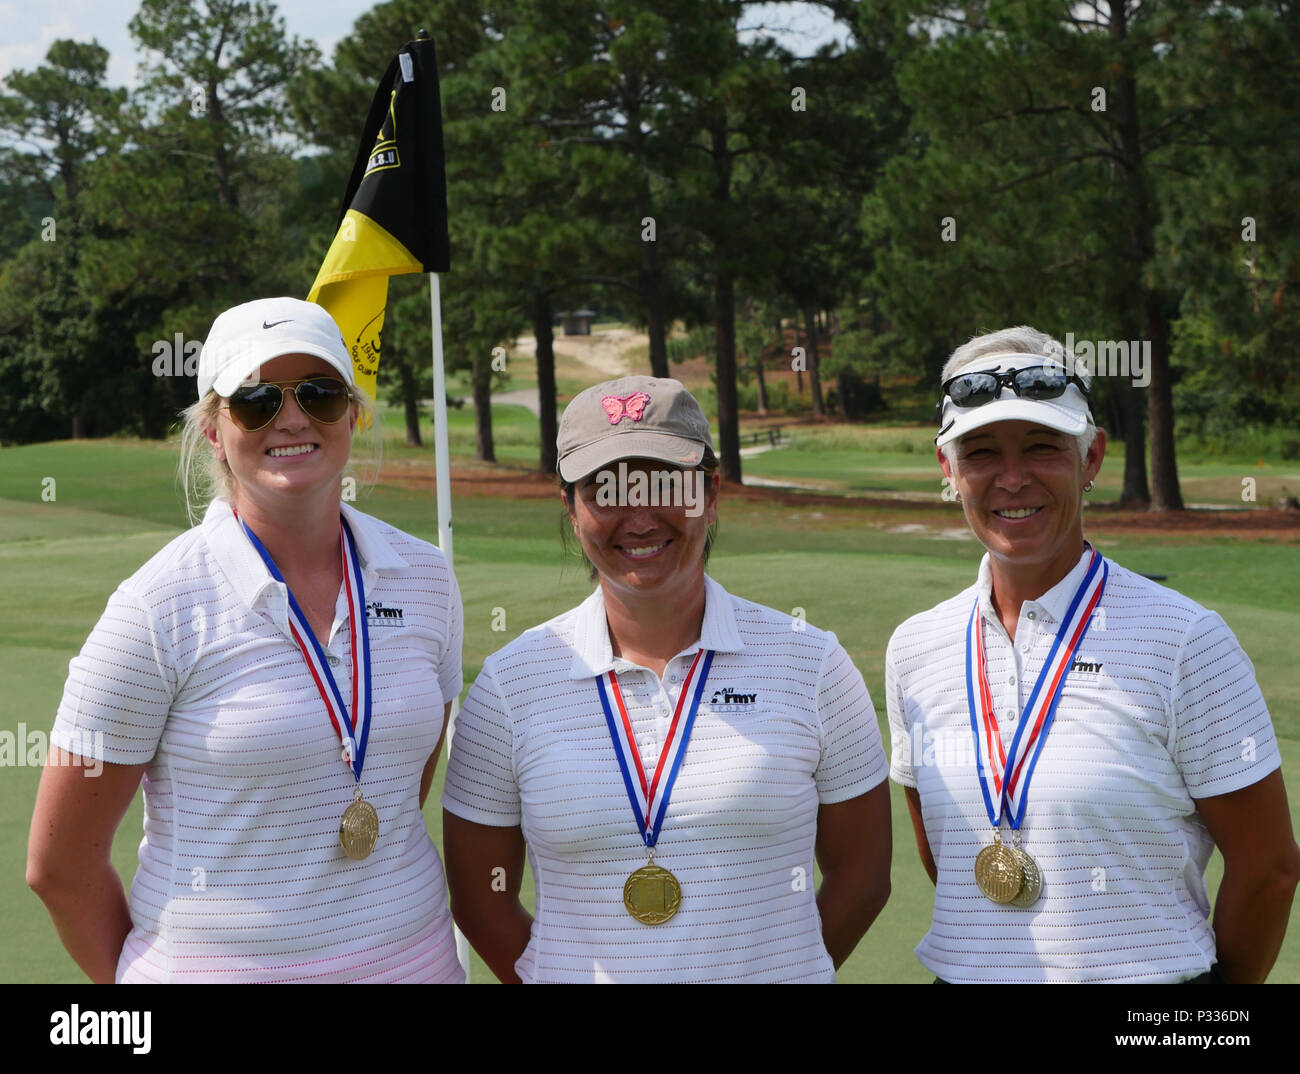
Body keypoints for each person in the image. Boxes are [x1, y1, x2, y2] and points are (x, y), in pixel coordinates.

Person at [27, 297, 465, 983]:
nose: (291, 418)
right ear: (213, 427)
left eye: (319, 394)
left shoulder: (426, 578)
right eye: (257, 401)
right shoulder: (153, 608)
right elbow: (58, 867)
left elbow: (402, 787)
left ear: (353, 412)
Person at [442, 375, 891, 983]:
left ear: (711, 492)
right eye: (606, 488)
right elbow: (482, 899)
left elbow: (863, 878)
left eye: (664, 482)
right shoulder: (509, 685)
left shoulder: (812, 664)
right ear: (570, 508)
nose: (639, 515)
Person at [886, 325, 1300, 983]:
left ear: (1092, 457)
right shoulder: (915, 647)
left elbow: (1270, 869)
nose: (1012, 478)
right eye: (981, 451)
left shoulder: (1185, 639)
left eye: (1042, 446)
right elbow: (949, 857)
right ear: (948, 469)